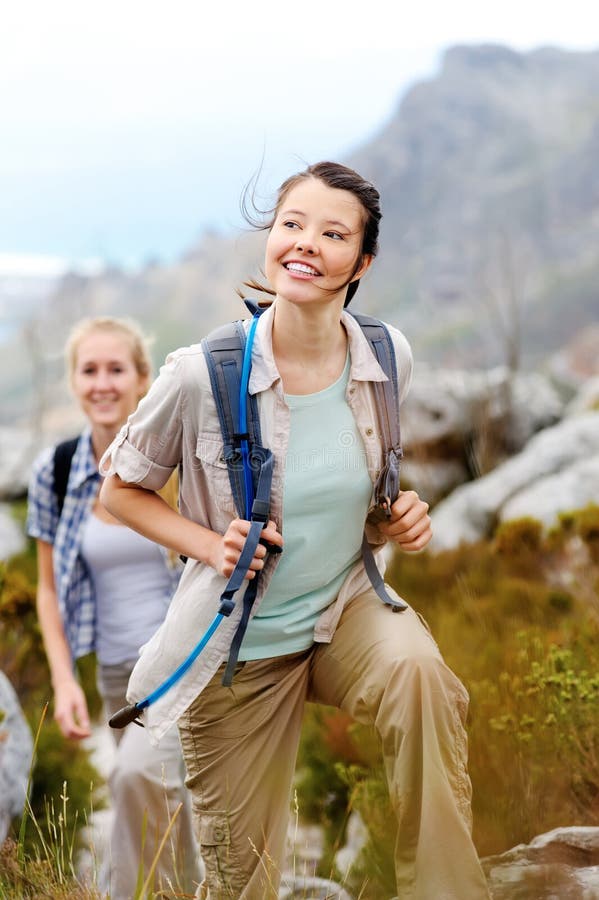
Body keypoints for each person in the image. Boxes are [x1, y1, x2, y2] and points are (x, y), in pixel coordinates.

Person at [99, 162, 491, 899]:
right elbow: (121, 491)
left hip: (344, 608)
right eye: (292, 225)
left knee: (421, 678)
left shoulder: (385, 356)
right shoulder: (200, 376)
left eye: (333, 233)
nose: (306, 244)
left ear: (362, 263)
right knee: (241, 881)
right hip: (236, 650)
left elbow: (364, 484)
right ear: (270, 240)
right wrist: (207, 544)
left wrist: (395, 514)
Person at [26, 317, 200, 899]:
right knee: (162, 806)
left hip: (184, 670)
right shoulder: (55, 474)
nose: (102, 383)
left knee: (133, 781)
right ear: (75, 382)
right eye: (89, 370)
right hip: (116, 680)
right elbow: (47, 590)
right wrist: (63, 680)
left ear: (143, 379)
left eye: (116, 369)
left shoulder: (177, 462)